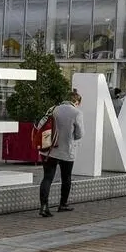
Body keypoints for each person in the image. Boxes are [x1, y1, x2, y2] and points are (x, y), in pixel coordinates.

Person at [38, 89, 84, 218]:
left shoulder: (53, 109)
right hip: (66, 151)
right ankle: (63, 204)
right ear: (76, 101)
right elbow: (80, 134)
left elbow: (40, 125)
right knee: (66, 177)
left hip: (49, 149)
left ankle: (44, 206)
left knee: (47, 178)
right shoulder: (76, 112)